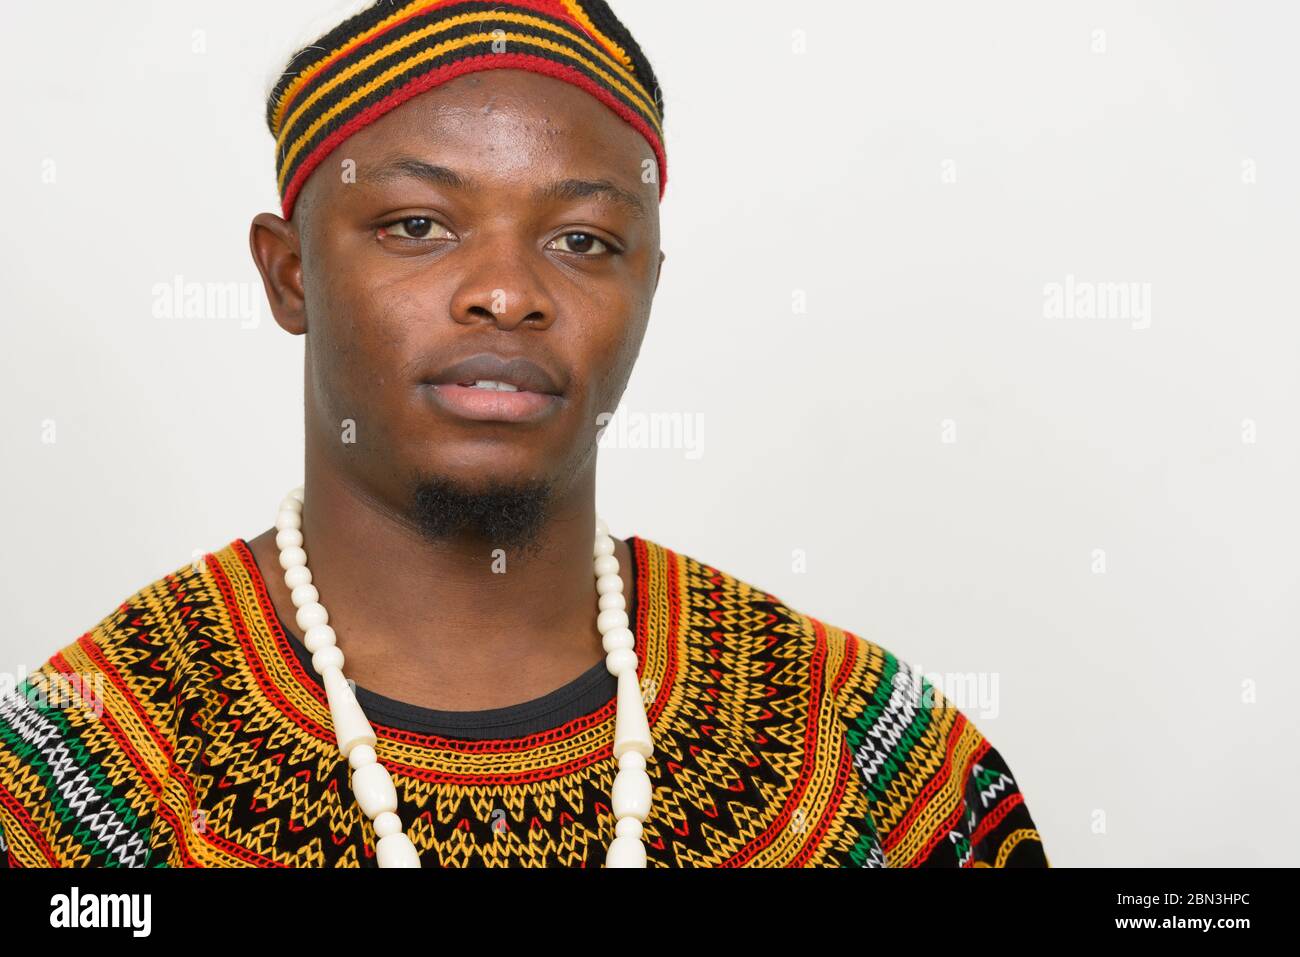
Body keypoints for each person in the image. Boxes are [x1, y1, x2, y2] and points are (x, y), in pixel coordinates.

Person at [0, 0, 1049, 868]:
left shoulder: (871, 757)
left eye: (583, 241)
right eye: (417, 225)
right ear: (290, 275)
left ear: (647, 290)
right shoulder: (74, 776)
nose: (506, 294)